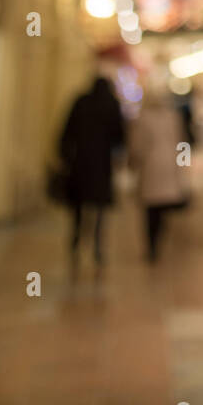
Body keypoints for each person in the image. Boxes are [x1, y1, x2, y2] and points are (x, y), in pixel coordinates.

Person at [59, 74, 125, 276]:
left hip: (81, 163)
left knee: (79, 206)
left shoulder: (81, 102)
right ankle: (97, 246)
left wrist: (65, 156)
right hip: (101, 165)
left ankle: (76, 242)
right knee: (99, 209)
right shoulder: (111, 105)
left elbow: (66, 131)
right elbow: (119, 136)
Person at [130, 87, 190, 262]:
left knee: (151, 209)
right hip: (170, 165)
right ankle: (158, 243)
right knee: (164, 207)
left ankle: (152, 246)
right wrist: (183, 166)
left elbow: (137, 146)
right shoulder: (173, 117)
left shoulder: (142, 119)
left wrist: (133, 163)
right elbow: (182, 142)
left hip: (151, 166)